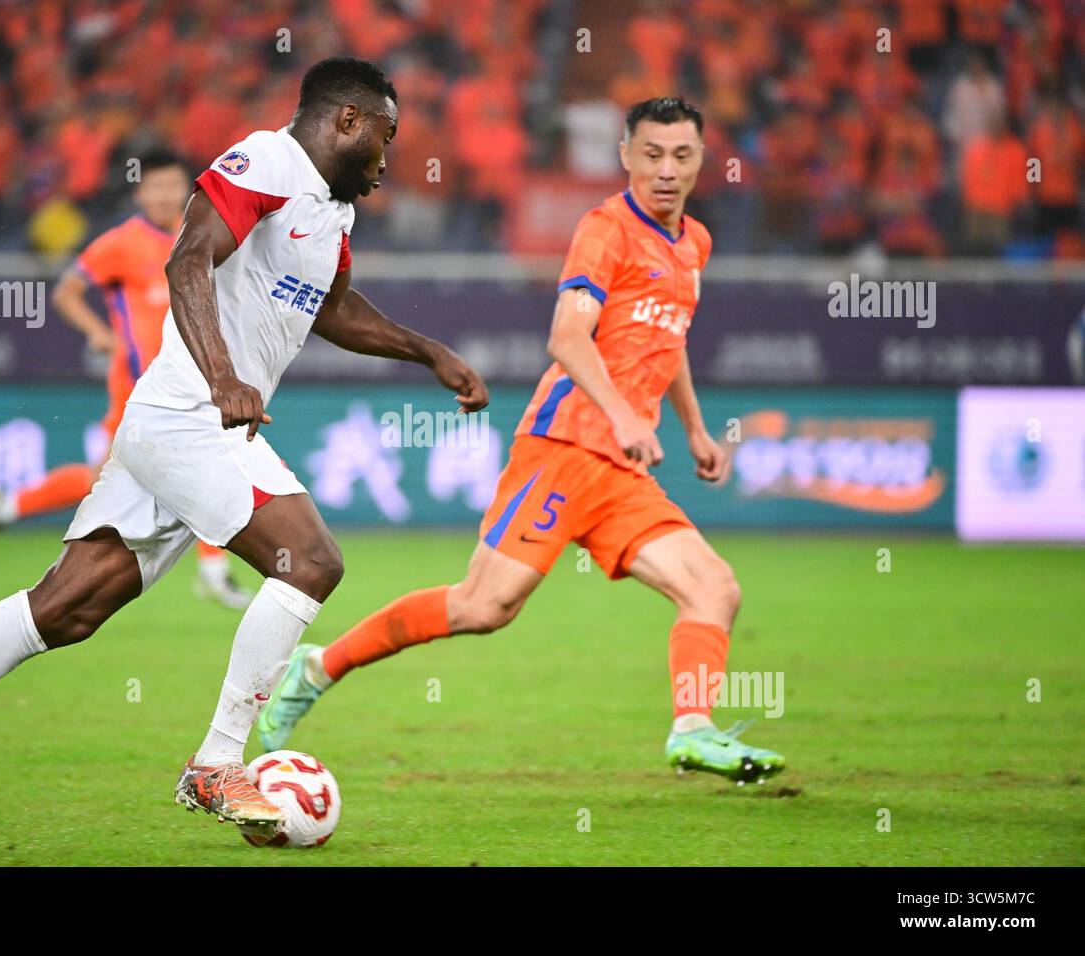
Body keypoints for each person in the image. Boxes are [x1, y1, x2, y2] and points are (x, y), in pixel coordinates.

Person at [0, 57, 488, 832]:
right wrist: (225, 375)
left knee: (62, 612)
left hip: (182, 427)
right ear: (346, 121)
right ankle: (216, 764)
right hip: (190, 414)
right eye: (385, 136)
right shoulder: (267, 161)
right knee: (310, 562)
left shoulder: (333, 213)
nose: (386, 160)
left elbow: (334, 312)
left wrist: (428, 351)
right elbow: (189, 258)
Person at [259, 97, 786, 785]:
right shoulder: (606, 230)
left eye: (681, 156)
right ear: (626, 155)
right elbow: (567, 337)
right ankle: (317, 668)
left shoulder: (694, 243)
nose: (666, 170)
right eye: (651, 154)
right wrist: (624, 416)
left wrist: (691, 426)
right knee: (482, 608)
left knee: (714, 587)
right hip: (563, 448)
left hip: (622, 471)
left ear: (700, 162)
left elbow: (669, 337)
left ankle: (694, 730)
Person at [0, 148, 252, 609]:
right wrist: (99, 333)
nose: (163, 195)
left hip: (190, 383)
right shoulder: (121, 243)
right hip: (135, 388)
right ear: (140, 192)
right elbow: (67, 291)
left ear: (187, 188)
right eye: (154, 186)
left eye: (173, 185)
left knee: (203, 463)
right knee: (108, 477)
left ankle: (214, 573)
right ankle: (9, 508)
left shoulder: (199, 237)